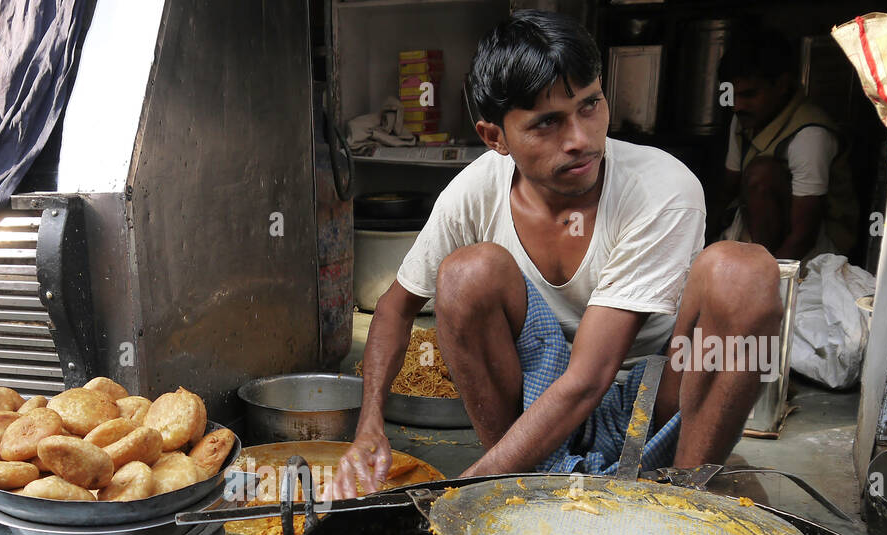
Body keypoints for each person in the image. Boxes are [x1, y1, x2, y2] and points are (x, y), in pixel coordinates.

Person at [328, 10, 782, 499]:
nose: (581, 140)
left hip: (656, 402)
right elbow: (396, 307)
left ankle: (687, 501)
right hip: (535, 406)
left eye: (590, 106)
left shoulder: (663, 188)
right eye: (547, 122)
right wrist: (369, 425)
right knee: (466, 275)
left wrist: (460, 494)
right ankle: (516, 489)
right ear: (494, 137)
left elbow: (590, 378)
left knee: (744, 272)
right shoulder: (477, 190)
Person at [714, 27, 858, 262]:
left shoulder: (810, 136)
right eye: (733, 95)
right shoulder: (743, 119)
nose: (737, 106)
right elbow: (729, 187)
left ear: (781, 85)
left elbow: (804, 236)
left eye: (749, 94)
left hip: (815, 249)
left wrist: (766, 281)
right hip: (758, 231)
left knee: (762, 175)